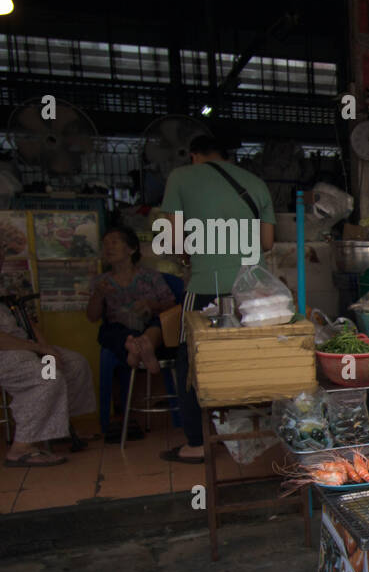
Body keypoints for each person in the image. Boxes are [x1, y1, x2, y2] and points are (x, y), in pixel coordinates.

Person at [159, 134, 275, 464]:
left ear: (195, 155)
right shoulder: (255, 182)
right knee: (253, 357)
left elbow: (174, 241)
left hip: (206, 286)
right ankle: (257, 435)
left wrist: (191, 256)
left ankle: (197, 443)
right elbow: (266, 242)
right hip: (254, 291)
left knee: (193, 361)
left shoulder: (181, 177)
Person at [0, 301, 96, 468]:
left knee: (75, 364)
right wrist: (39, 349)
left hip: (28, 349)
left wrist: (48, 349)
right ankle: (21, 447)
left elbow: (29, 323)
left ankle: (58, 428)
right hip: (7, 353)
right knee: (48, 377)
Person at [85, 227, 175, 376]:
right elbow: (92, 317)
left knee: (158, 323)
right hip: (120, 332)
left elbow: (171, 306)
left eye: (114, 242)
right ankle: (137, 347)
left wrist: (151, 305)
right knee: (109, 331)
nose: (108, 248)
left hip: (151, 329)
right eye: (105, 244)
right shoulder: (101, 282)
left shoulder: (151, 277)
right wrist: (99, 295)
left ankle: (142, 345)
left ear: (132, 249)